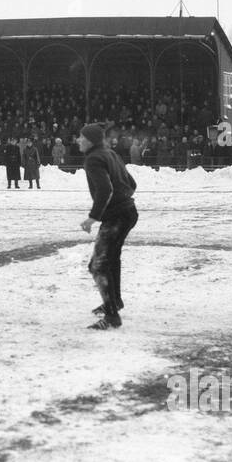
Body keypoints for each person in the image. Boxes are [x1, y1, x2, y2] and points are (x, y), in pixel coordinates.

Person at [78, 123, 138, 330]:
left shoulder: (93, 159)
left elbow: (105, 189)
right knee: (111, 260)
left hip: (116, 217)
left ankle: (112, 316)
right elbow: (132, 184)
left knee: (98, 265)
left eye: (81, 137)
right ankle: (115, 302)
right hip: (129, 213)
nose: (78, 140)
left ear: (90, 140)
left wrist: (92, 218)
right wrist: (124, 200)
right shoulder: (111, 154)